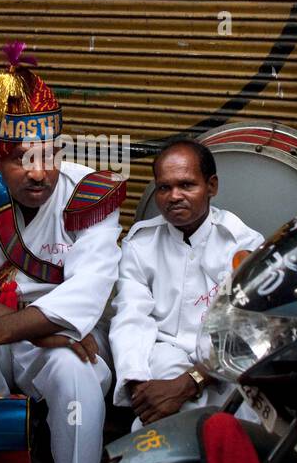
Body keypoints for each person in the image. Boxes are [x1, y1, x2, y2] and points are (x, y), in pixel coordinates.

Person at [0, 43, 124, 463]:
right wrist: (18, 329)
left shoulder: (89, 195)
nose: (39, 173)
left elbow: (90, 287)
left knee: (77, 376)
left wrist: (16, 331)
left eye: (48, 155)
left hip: (60, 335)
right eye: (21, 158)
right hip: (0, 327)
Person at [110, 138, 264, 426]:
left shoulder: (243, 245)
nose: (174, 196)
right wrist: (137, 385)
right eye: (164, 187)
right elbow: (131, 316)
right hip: (164, 362)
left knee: (229, 427)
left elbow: (248, 330)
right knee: (163, 373)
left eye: (187, 185)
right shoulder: (141, 243)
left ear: (212, 186)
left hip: (225, 371)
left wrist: (191, 381)